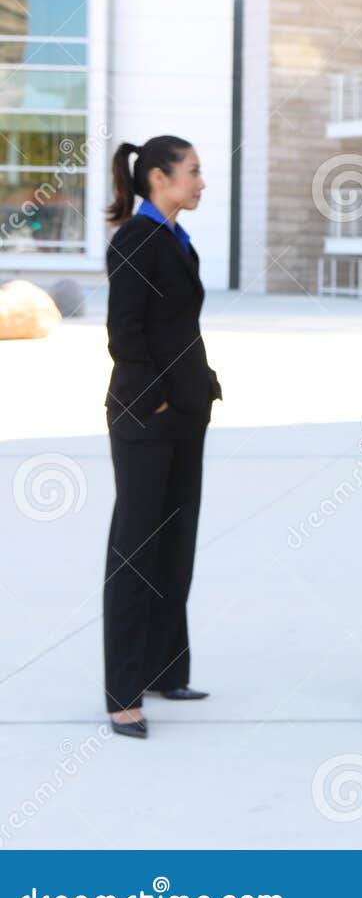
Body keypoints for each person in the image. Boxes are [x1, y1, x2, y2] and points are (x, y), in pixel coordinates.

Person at [102, 136, 222, 740]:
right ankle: (124, 692)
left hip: (185, 411)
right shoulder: (135, 240)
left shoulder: (174, 238)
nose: (202, 182)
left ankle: (166, 668)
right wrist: (162, 396)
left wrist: (201, 385)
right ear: (158, 177)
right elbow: (125, 334)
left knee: (176, 542)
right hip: (147, 418)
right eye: (193, 172)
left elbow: (176, 326)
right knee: (135, 549)